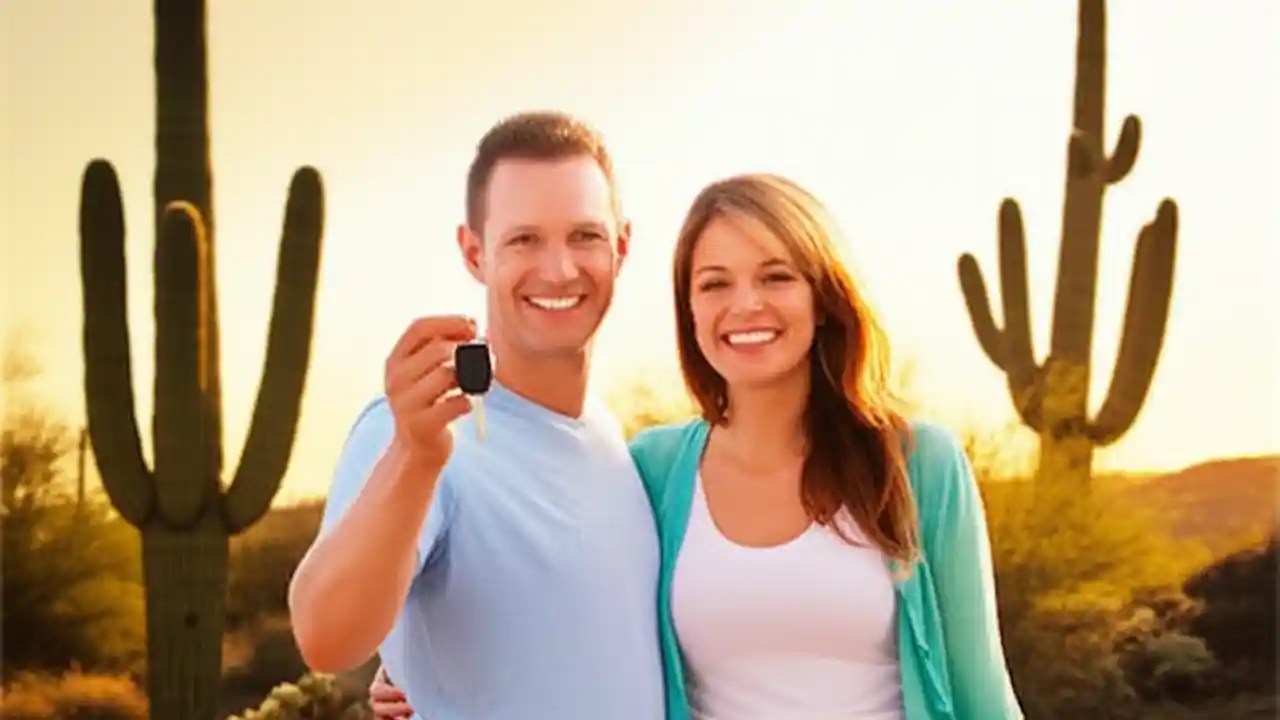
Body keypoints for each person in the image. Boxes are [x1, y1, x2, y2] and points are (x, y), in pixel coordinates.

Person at [368, 172, 1023, 719]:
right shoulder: (651, 472)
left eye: (776, 277)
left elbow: (981, 693)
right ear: (690, 309)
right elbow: (547, 600)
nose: (746, 305)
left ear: (823, 297)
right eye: (714, 284)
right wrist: (422, 665)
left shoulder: (918, 466)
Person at [288, 110, 666, 720]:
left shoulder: (608, 434)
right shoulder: (416, 430)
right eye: (524, 240)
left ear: (620, 248)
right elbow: (325, 638)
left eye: (584, 236)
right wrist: (413, 457)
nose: (559, 269)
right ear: (474, 253)